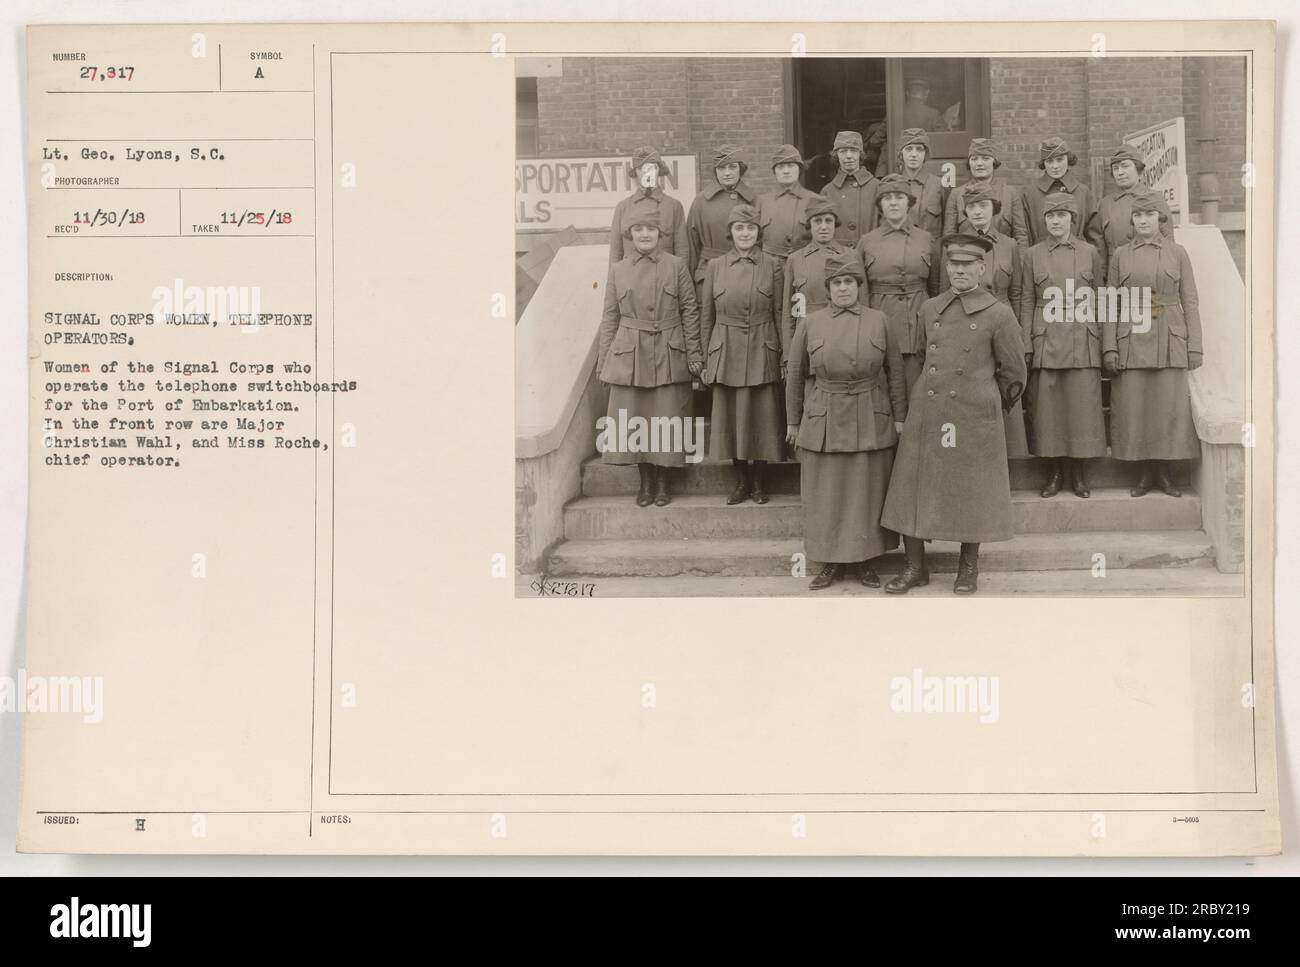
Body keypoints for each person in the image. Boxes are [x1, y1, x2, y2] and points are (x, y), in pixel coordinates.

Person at [881, 233, 1027, 595]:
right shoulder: (931, 307)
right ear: (946, 268)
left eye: (967, 265)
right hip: (929, 409)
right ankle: (915, 567)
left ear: (982, 267)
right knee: (911, 484)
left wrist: (988, 405)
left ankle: (968, 568)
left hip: (973, 412)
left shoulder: (998, 312)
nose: (960, 271)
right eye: (954, 265)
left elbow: (1015, 372)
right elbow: (920, 355)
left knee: (971, 490)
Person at [786, 253, 907, 590]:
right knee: (827, 493)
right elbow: (794, 374)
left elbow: (895, 371)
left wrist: (899, 419)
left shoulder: (879, 320)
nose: (843, 288)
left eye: (849, 283)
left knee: (865, 491)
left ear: (858, 286)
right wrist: (792, 422)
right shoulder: (810, 322)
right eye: (836, 283)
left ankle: (866, 560)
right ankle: (831, 563)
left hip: (870, 414)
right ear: (828, 288)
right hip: (823, 416)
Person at [596, 211, 703, 507]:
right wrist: (604, 359)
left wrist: (693, 352)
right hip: (630, 353)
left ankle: (663, 484)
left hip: (669, 350)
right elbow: (610, 315)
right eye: (639, 229)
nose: (645, 234)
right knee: (636, 419)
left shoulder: (676, 265)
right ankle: (645, 484)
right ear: (630, 235)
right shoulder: (618, 270)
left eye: (651, 229)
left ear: (661, 234)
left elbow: (690, 311)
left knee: (666, 418)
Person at [1102, 189, 1202, 497]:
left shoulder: (1178, 253)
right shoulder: (1121, 254)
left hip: (1169, 338)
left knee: (1166, 408)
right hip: (1131, 338)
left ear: (1161, 219)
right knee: (1136, 407)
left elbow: (1191, 300)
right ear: (1132, 220)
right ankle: (1144, 474)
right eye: (1138, 215)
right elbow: (1110, 303)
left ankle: (1165, 473)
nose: (1143, 221)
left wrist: (1195, 345)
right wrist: (1110, 346)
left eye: (1149, 215)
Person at [1018, 193, 1107, 498]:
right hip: (1046, 337)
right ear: (1044, 221)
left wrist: (1102, 340)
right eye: (1050, 216)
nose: (1056, 221)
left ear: (1073, 219)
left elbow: (1099, 297)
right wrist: (1027, 341)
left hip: (1082, 337)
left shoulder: (1090, 253)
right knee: (1049, 410)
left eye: (1062, 215)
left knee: (1082, 408)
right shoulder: (1032, 254)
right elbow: (1027, 298)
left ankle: (1079, 474)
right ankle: (1054, 472)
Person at [699, 204, 786, 504]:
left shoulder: (773, 265)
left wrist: (784, 354)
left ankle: (759, 482)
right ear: (731, 232)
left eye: (750, 228)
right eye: (739, 228)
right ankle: (741, 481)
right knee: (731, 419)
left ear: (758, 232)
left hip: (763, 345)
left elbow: (780, 312)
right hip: (726, 347)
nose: (745, 233)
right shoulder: (715, 266)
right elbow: (706, 316)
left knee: (762, 417)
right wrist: (705, 356)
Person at [945, 184, 1028, 459]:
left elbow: (1017, 291)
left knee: (1003, 383)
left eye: (983, 206)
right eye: (972, 207)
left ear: (994, 209)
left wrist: (1018, 333)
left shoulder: (1009, 245)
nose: (978, 212)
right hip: (966, 321)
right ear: (965, 211)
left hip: (1002, 320)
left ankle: (1006, 457)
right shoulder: (953, 245)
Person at [856, 174, 939, 400]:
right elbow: (861, 291)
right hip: (881, 323)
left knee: (917, 391)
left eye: (899, 197)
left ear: (909, 203)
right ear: (880, 205)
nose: (893, 203)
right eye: (887, 198)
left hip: (917, 324)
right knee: (884, 392)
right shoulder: (867, 242)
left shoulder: (926, 239)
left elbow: (936, 289)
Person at [781, 196, 859, 400]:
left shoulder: (850, 255)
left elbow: (862, 306)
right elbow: (789, 314)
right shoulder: (795, 260)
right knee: (811, 402)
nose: (823, 227)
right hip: (808, 342)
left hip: (845, 340)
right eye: (817, 221)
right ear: (809, 225)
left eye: (828, 221)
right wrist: (789, 355)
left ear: (835, 224)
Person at [1085, 144, 1172, 274]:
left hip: (1150, 271)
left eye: (1125, 166)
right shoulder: (1105, 204)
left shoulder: (1155, 199)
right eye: (1115, 168)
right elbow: (1099, 247)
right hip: (1116, 274)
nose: (1120, 172)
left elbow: (1168, 241)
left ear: (1138, 169)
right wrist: (1101, 277)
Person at [686, 144, 758, 297]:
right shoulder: (701, 201)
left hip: (746, 273)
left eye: (732, 167)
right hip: (709, 274)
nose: (727, 173)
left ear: (741, 169)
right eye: (721, 168)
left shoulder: (754, 200)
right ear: (715, 171)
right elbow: (691, 247)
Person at [608, 146, 688, 264]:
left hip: (664, 279)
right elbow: (615, 254)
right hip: (632, 279)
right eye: (641, 168)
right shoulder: (623, 207)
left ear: (659, 171)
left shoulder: (673, 206)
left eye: (652, 168)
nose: (647, 173)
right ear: (635, 172)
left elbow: (682, 252)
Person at [943, 138, 1027, 245]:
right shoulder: (956, 195)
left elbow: (1021, 235)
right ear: (969, 163)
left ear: (994, 161)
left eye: (985, 158)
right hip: (967, 258)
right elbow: (949, 236)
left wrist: (1019, 260)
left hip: (1002, 258)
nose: (979, 163)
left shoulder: (1010, 194)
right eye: (974, 159)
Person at [1021, 137, 1093, 246]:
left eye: (1060, 160)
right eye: (1049, 161)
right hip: (1041, 257)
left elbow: (1094, 235)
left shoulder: (1083, 192)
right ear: (1043, 163)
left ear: (1068, 160)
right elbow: (1024, 234)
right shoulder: (1030, 193)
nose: (1055, 166)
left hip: (1078, 257)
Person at [757, 144, 819, 264]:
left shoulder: (814, 200)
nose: (786, 171)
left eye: (790, 166)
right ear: (774, 171)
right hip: (770, 267)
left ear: (799, 169)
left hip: (805, 264)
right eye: (780, 167)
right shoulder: (762, 201)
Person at [820, 130, 878, 244]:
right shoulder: (827, 192)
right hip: (838, 259)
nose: (849, 156)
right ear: (836, 155)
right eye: (843, 151)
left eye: (853, 151)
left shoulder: (877, 187)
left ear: (860, 154)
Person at [895, 128, 945, 237]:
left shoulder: (938, 185)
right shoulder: (894, 184)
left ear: (926, 154)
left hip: (930, 250)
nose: (914, 154)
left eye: (919, 149)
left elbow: (947, 227)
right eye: (909, 149)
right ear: (901, 153)